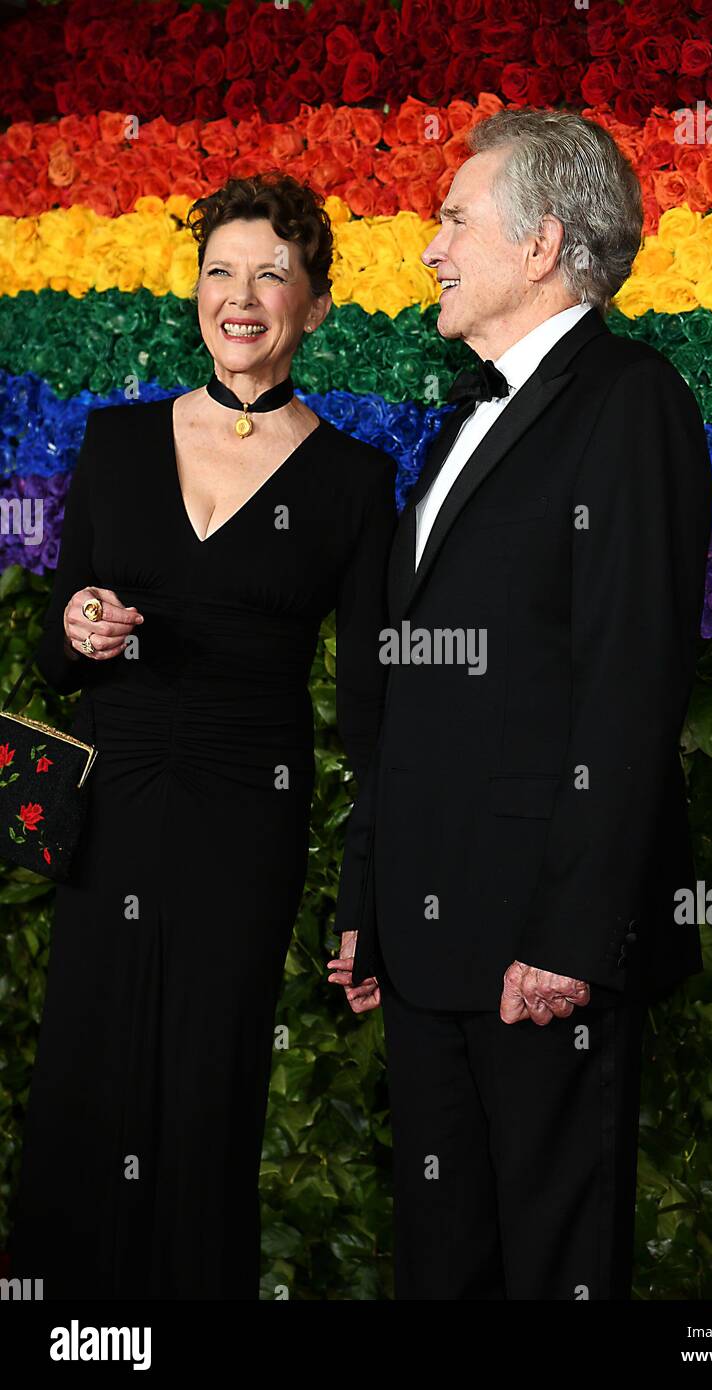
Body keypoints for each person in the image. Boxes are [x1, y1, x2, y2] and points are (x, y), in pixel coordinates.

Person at [329, 110, 712, 1300]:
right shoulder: (463, 416)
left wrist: (568, 936)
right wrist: (368, 899)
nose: (430, 246)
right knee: (442, 1264)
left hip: (537, 952)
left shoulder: (630, 401)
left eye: (452, 216)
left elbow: (628, 684)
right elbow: (407, 700)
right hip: (430, 939)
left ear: (541, 242)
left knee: (553, 1267)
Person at [9, 172, 396, 1299]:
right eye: (221, 270)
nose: (241, 295)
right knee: (84, 1082)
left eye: (272, 273)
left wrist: (362, 891)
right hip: (113, 806)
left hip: (244, 825)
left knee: (204, 1096)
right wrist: (76, 625)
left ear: (314, 306)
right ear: (195, 293)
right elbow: (54, 645)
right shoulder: (118, 441)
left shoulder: (355, 483)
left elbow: (371, 704)